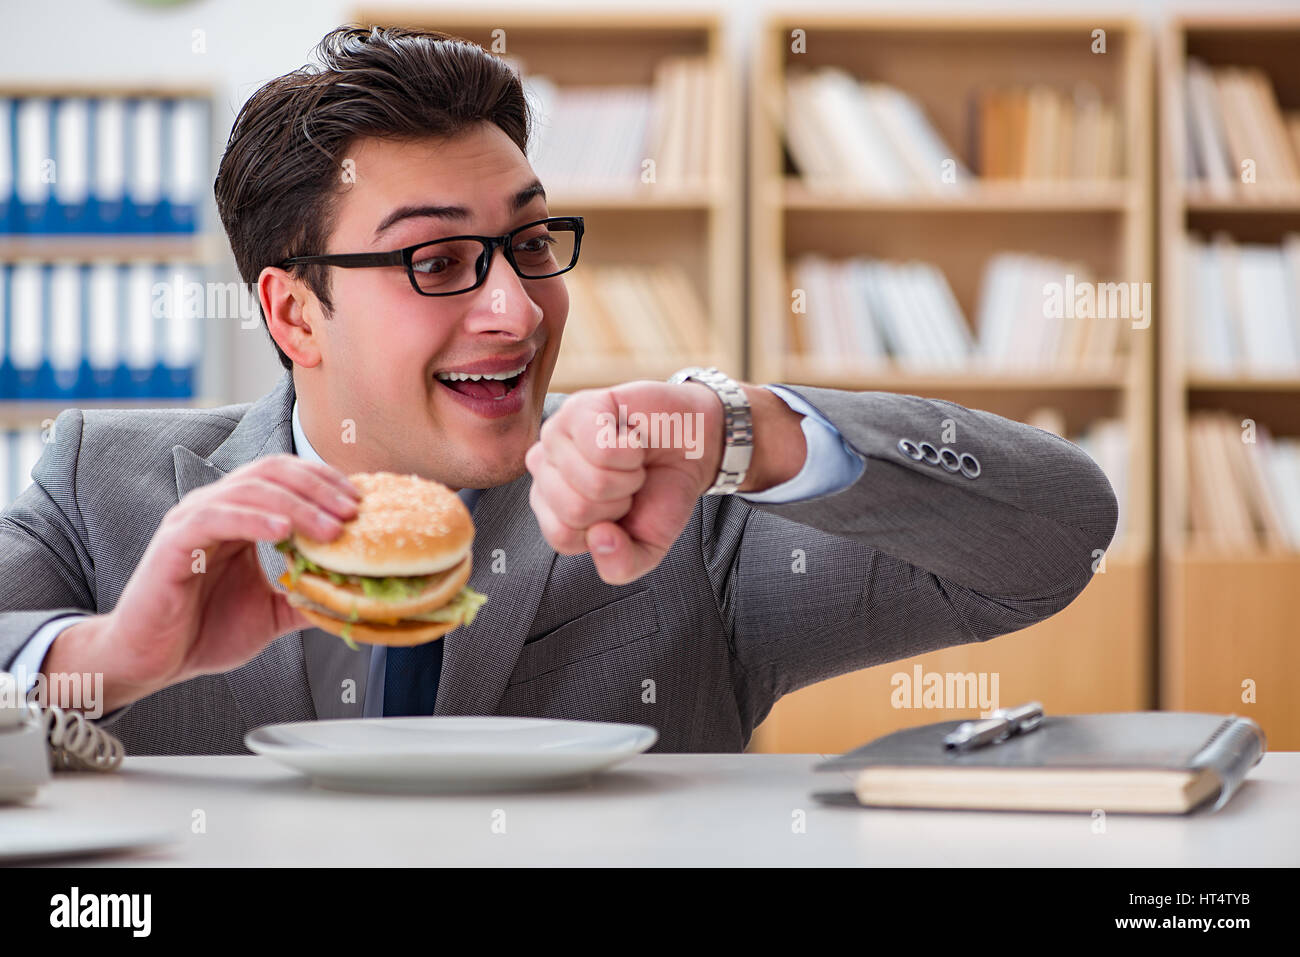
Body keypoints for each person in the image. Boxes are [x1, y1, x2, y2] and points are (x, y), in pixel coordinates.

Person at [0, 25, 1117, 754]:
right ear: (294, 313)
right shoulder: (102, 486)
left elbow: (1055, 540)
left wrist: (754, 433)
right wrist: (101, 666)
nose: (520, 311)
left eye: (530, 243)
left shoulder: (677, 518)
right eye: (437, 262)